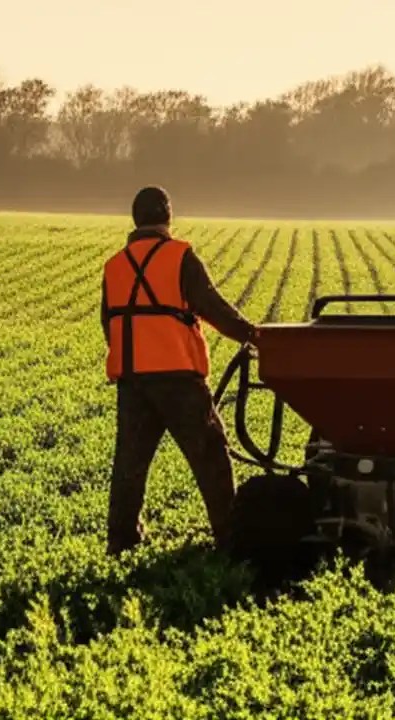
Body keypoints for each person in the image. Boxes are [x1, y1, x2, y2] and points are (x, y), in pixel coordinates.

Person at [100, 186, 259, 555]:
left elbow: (109, 323)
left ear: (135, 219)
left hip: (133, 378)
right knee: (211, 456)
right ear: (168, 218)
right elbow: (213, 308)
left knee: (129, 464)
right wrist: (252, 335)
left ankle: (121, 542)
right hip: (178, 378)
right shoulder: (180, 256)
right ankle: (228, 539)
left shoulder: (114, 266)